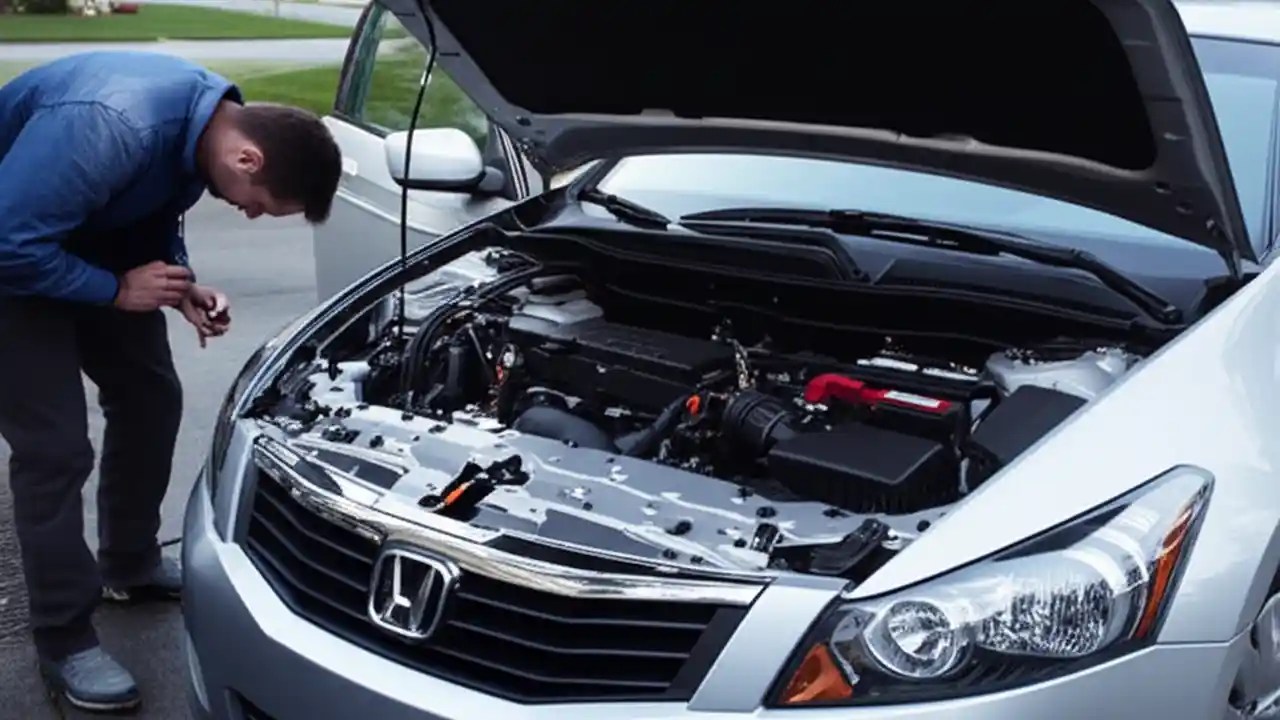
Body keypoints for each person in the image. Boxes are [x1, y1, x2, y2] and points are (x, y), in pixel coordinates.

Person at [0, 50, 342, 712]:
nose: (249, 216)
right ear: (249, 160)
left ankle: (128, 564)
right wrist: (115, 289)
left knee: (152, 397)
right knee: (55, 450)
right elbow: (9, 240)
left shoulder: (205, 126)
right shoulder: (112, 125)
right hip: (12, 254)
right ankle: (64, 638)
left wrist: (176, 283)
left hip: (80, 240)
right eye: (261, 207)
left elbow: (154, 208)